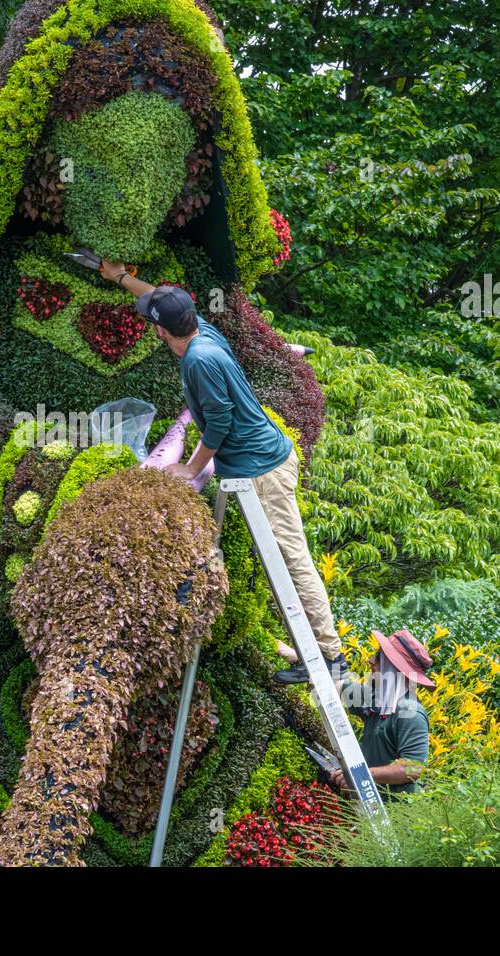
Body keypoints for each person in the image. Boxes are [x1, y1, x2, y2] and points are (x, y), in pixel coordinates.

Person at [101, 261, 347, 686]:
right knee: (279, 562)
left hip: (263, 470)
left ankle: (328, 656)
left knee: (291, 560)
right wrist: (120, 278)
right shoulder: (201, 331)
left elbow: (220, 423)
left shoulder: (199, 361)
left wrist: (189, 468)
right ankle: (310, 646)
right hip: (257, 462)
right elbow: (162, 297)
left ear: (161, 331)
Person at [331, 629, 433, 798]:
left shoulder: (409, 711)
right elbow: (336, 686)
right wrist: (300, 658)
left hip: (396, 815)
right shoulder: (377, 699)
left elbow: (413, 767)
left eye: (378, 657)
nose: (371, 661)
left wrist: (361, 775)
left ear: (392, 668)